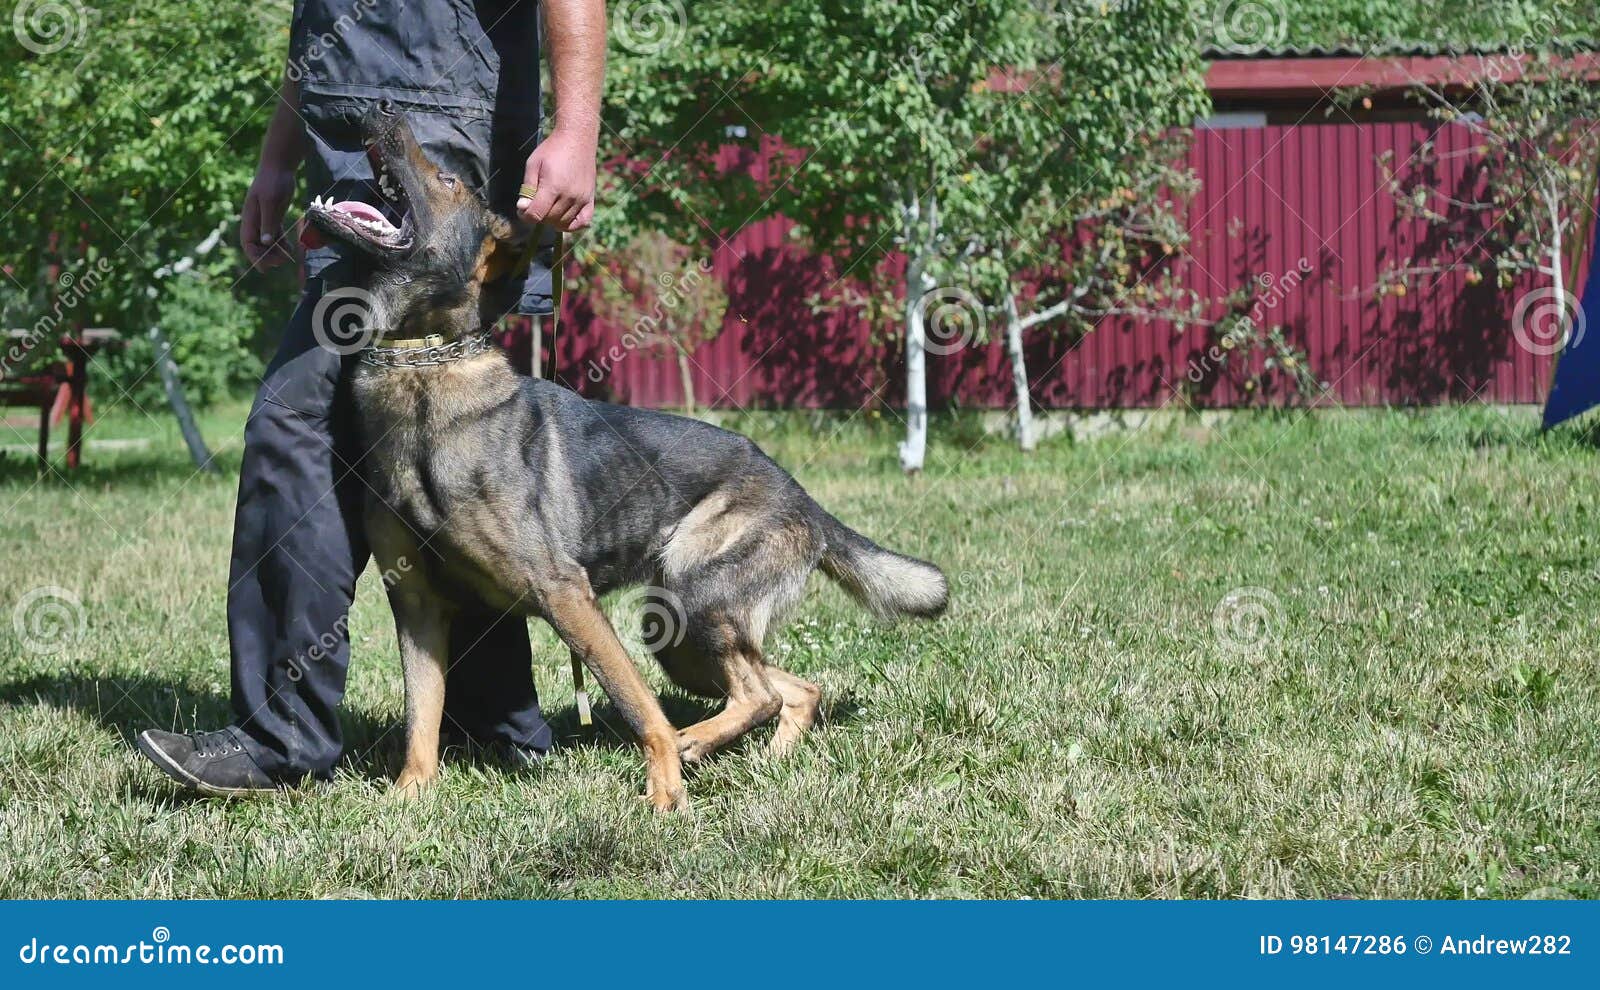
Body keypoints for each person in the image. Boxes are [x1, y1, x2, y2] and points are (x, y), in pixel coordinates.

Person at [136, 0, 606, 793]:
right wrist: (282, 151)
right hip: (356, 135)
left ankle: (283, 739)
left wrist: (577, 129)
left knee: (297, 425)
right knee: (434, 440)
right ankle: (494, 723)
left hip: (438, 123)